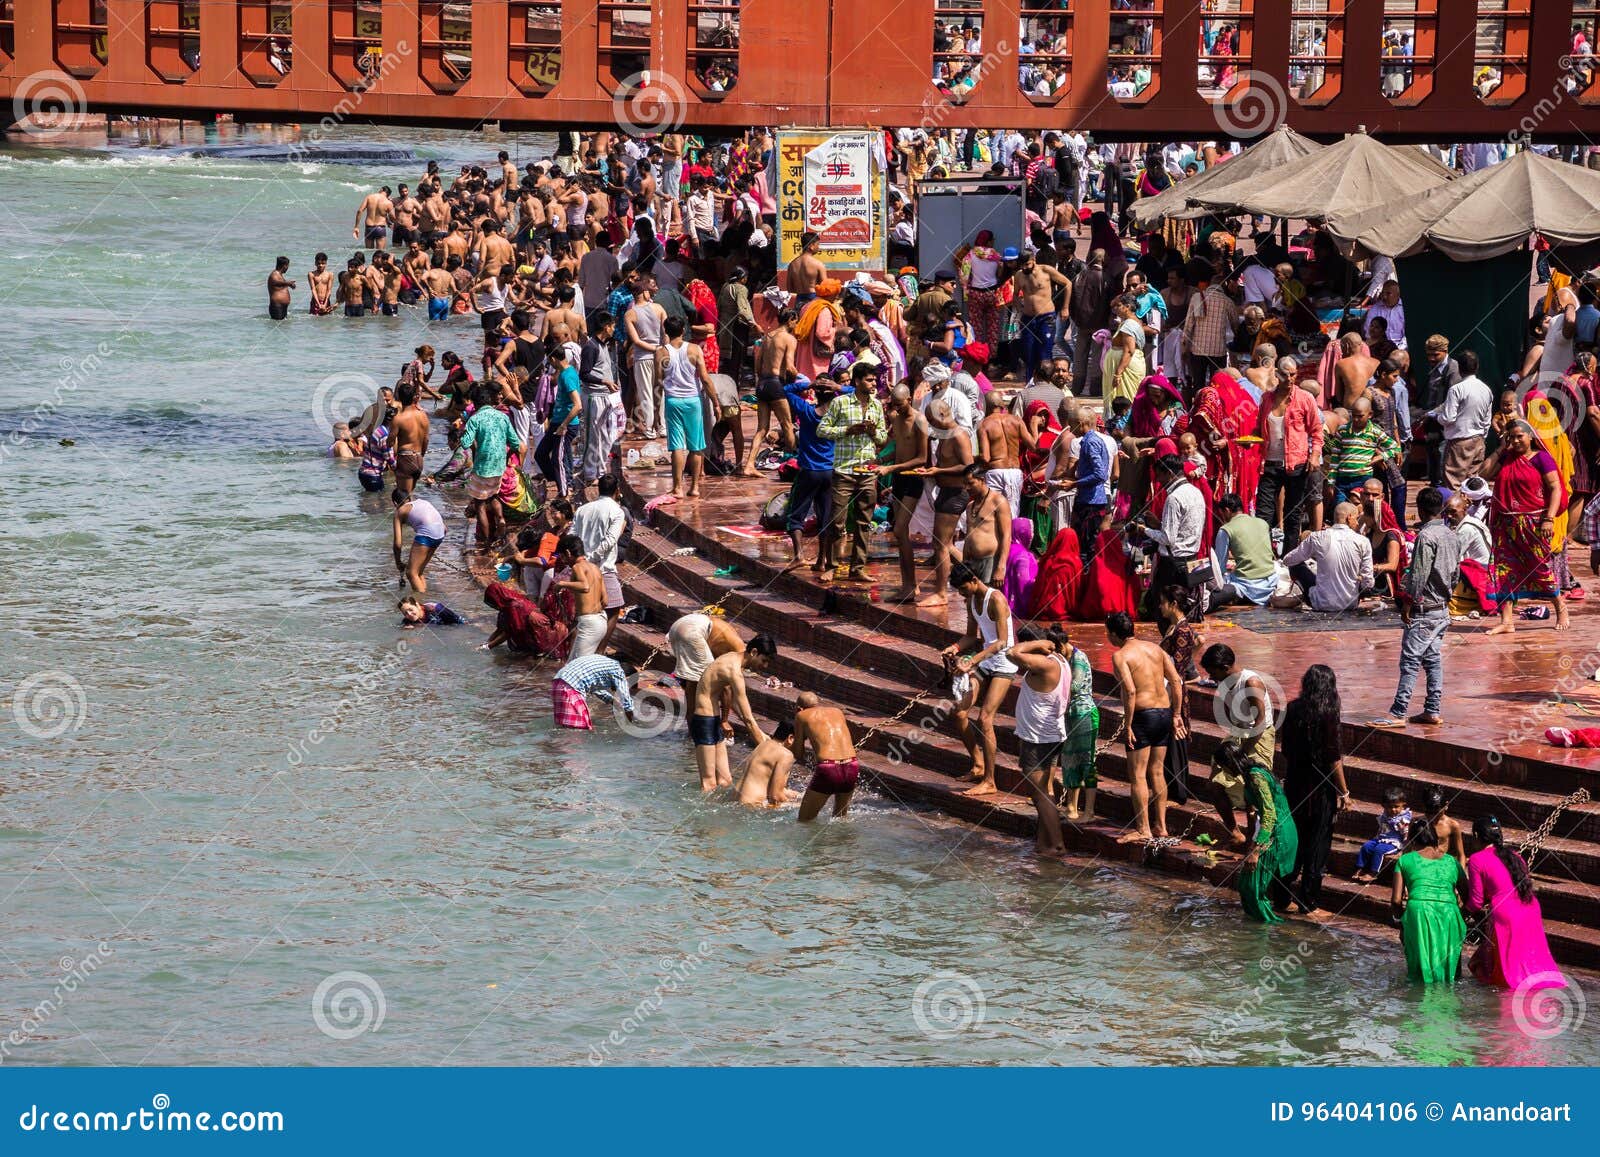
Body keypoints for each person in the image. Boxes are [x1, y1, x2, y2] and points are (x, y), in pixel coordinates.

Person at [1372, 488, 1460, 727]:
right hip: (1442, 607)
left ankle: (1398, 712)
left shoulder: (1426, 537)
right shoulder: (1452, 535)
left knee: (1410, 661)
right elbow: (1455, 574)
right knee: (1432, 660)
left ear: (1420, 510)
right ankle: (1432, 709)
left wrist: (1408, 602)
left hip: (1425, 608)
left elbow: (1419, 574)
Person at [1274, 664, 1350, 919]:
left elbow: (1285, 749)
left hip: (1295, 784)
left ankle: (1281, 896)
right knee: (1317, 845)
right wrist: (1344, 792)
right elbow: (1333, 758)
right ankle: (1309, 901)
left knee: (1294, 841)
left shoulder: (1293, 708)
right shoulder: (1328, 713)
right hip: (1320, 790)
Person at [1107, 611, 1187, 844]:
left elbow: (1130, 691)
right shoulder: (1156, 649)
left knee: (1138, 775)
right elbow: (1176, 682)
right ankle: (1160, 826)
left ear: (1113, 635)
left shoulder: (1121, 656)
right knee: (1157, 772)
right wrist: (1176, 714)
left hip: (1143, 716)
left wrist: (1128, 724)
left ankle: (1143, 829)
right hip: (1163, 714)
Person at [1484, 419, 1569, 634]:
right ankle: (1507, 621)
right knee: (1504, 570)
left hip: (1534, 523)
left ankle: (1561, 607)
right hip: (1506, 523)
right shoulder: (1506, 457)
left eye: (1519, 436)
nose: (1515, 440)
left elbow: (1555, 488)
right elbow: (1484, 473)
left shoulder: (1542, 458)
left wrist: (1549, 518)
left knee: (1539, 567)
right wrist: (1501, 448)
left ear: (1530, 436)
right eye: (1511, 437)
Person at [943, 562, 1019, 797]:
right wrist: (954, 647)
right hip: (985, 662)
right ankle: (978, 764)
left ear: (974, 580)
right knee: (959, 712)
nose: (961, 593)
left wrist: (972, 661)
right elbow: (969, 636)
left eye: (963, 588)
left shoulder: (996, 599)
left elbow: (1001, 642)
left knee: (985, 719)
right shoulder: (970, 602)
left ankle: (990, 781)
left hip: (1005, 663)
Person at [1466, 816, 1567, 992]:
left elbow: (1475, 902)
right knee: (1531, 959)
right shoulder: (1516, 856)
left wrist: (1458, 913)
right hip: (1530, 909)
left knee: (1504, 973)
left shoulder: (1476, 859)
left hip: (1505, 913)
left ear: (1476, 836)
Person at [1005, 628, 1076, 854]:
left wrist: (1034, 644)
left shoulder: (1047, 664)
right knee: (1046, 790)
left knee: (1039, 794)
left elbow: (1011, 653)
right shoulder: (1062, 662)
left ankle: (1057, 844)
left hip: (1037, 738)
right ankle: (1044, 843)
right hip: (1052, 734)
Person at [1212, 741, 1298, 925]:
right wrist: (1251, 843)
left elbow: (1269, 814)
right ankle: (1256, 929)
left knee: (1252, 887)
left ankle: (1268, 928)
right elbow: (1255, 812)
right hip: (1272, 831)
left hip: (1278, 833)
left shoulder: (1255, 776)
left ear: (1230, 763)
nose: (1224, 772)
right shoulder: (1251, 773)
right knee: (1248, 885)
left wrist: (1256, 850)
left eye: (1223, 767)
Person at [817, 362, 888, 582]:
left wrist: (873, 431)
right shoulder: (840, 403)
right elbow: (822, 430)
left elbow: (883, 438)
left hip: (867, 470)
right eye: (869, 379)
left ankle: (857, 568)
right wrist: (847, 430)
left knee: (863, 523)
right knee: (837, 520)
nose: (873, 383)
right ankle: (832, 565)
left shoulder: (876, 406)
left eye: (874, 380)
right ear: (857, 382)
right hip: (844, 470)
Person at [1254, 357, 1324, 553]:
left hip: (1297, 465)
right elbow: (1259, 428)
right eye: (1285, 374)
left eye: (1292, 374)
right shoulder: (1266, 399)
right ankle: (1264, 556)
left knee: (1292, 515)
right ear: (1277, 374)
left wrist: (1315, 455)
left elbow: (1317, 432)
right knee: (1263, 514)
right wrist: (1249, 440)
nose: (1289, 378)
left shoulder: (1305, 398)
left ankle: (1290, 558)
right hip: (1269, 463)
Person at [690, 636, 776, 792]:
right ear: (754, 652)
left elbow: (735, 702)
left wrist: (760, 733)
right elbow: (749, 719)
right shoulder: (733, 670)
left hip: (713, 719)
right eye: (764, 660)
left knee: (725, 780)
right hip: (703, 721)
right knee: (709, 784)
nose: (765, 666)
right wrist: (765, 746)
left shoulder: (732, 658)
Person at [1391, 818, 1468, 983]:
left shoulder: (1405, 860)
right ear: (1435, 839)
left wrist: (1400, 921)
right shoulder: (1452, 862)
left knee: (1420, 970)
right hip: (1449, 912)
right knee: (1451, 969)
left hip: (1418, 911)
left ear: (1412, 840)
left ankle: (1418, 1003)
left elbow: (1396, 900)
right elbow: (1467, 896)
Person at [875, 384, 929, 602]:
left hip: (913, 478)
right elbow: (897, 448)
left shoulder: (920, 420)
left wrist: (891, 468)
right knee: (901, 533)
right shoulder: (896, 419)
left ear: (909, 399)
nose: (896, 409)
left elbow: (922, 458)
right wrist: (879, 461)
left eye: (900, 404)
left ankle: (911, 584)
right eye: (894, 405)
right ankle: (908, 584)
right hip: (898, 478)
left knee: (899, 528)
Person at [1280, 502, 1374, 612]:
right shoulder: (1363, 541)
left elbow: (1288, 560)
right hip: (1351, 604)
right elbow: (1368, 583)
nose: (1358, 523)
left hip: (1320, 603)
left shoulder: (1317, 537)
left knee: (1296, 565)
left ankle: (1303, 595)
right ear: (1349, 518)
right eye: (1357, 518)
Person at [659, 316, 715, 498]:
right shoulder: (694, 349)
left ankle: (677, 488)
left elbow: (657, 381)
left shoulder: (661, 352)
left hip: (672, 400)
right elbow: (705, 378)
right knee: (696, 445)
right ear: (683, 330)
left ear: (666, 332)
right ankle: (695, 487)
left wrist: (653, 407)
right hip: (693, 400)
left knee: (676, 445)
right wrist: (715, 401)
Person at [1153, 585, 1197, 807]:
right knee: (1170, 740)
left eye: (1163, 602)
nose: (1160, 606)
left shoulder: (1182, 631)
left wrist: (1176, 709)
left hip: (1173, 691)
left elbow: (1178, 669)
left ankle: (1179, 793)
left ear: (1174, 605)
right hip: (1167, 688)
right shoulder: (1174, 627)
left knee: (1176, 739)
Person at [461, 384, 518, 546]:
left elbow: (465, 443)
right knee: (493, 496)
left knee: (480, 505)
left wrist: (462, 431)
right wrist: (506, 457)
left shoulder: (475, 419)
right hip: (499, 465)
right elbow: (515, 443)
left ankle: (486, 543)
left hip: (482, 466)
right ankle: (500, 519)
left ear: (476, 404)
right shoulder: (502, 417)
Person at [1428, 349, 1493, 489]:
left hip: (1459, 442)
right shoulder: (1486, 389)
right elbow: (1487, 418)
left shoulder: (1456, 389)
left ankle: (1456, 510)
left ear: (1459, 368)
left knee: (1454, 484)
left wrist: (1435, 416)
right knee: (1472, 484)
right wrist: (1482, 436)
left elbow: (1448, 418)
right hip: (1479, 441)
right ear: (1476, 367)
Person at [746, 308, 799, 474]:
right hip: (776, 383)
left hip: (762, 384)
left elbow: (757, 365)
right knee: (787, 426)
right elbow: (790, 367)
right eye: (796, 321)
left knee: (762, 429)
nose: (796, 325)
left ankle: (749, 465)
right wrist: (802, 380)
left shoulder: (767, 337)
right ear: (790, 319)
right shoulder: (789, 339)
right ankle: (791, 465)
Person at [666, 610, 747, 717]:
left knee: (694, 681)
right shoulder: (737, 653)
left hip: (678, 626)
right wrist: (725, 720)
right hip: (692, 632)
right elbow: (726, 687)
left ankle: (691, 726)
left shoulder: (732, 644)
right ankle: (698, 724)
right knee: (703, 683)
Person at [793, 695, 861, 821]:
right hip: (852, 765)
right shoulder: (837, 712)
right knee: (840, 819)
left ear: (799, 708)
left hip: (828, 769)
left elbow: (798, 754)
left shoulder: (801, 716)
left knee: (804, 821)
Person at [1209, 493, 1277, 608]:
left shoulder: (1225, 530)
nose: (1222, 518)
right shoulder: (1263, 523)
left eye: (1222, 514)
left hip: (1247, 585)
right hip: (1271, 581)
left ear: (1227, 510)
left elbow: (1219, 568)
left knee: (1215, 586)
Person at [977, 392, 1031, 517]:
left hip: (995, 471)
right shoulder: (1016, 420)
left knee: (992, 512)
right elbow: (1033, 446)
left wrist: (973, 459)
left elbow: (985, 458)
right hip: (1014, 472)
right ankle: (1012, 536)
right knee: (1012, 513)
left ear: (986, 406)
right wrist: (1033, 426)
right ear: (1001, 404)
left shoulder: (984, 424)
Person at [553, 533, 607, 659]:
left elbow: (585, 586)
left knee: (576, 667)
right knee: (578, 664)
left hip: (589, 623)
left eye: (562, 556)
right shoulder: (595, 568)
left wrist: (562, 584)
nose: (562, 560)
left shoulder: (577, 567)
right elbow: (605, 601)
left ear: (568, 553)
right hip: (601, 621)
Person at [551, 653, 637, 731]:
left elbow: (597, 689)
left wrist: (613, 702)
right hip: (571, 687)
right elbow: (626, 699)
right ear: (627, 677)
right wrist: (630, 724)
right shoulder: (618, 670)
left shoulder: (605, 664)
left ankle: (560, 746)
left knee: (565, 726)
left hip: (558, 683)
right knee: (580, 729)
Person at [957, 465, 1011, 588]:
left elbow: (1006, 536)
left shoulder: (998, 501)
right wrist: (964, 565)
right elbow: (968, 537)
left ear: (982, 480)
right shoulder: (970, 505)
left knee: (988, 601)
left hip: (990, 562)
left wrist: (1001, 567)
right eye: (964, 484)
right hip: (972, 563)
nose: (966, 488)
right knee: (973, 603)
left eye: (970, 483)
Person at [737, 718, 802, 808]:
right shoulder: (786, 755)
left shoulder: (763, 745)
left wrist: (798, 795)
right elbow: (776, 797)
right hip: (753, 808)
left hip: (737, 802)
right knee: (801, 807)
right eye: (801, 740)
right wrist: (799, 805)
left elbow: (763, 783)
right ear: (790, 738)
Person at [391, 489, 446, 595]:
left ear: (394, 503)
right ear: (410, 498)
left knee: (411, 573)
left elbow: (397, 543)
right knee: (418, 572)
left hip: (427, 534)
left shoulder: (400, 511)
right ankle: (425, 598)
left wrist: (398, 562)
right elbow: (443, 526)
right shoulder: (423, 502)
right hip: (440, 532)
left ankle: (421, 605)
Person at [1354, 785, 1411, 882]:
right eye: (1389, 807)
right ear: (1384, 806)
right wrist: (1375, 838)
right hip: (1381, 839)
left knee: (1379, 850)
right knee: (1366, 846)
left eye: (1396, 807)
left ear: (1403, 805)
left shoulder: (1403, 818)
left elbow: (1406, 835)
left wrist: (1402, 851)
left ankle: (1373, 873)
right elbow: (1382, 829)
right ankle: (1360, 868)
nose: (1393, 810)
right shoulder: (1385, 815)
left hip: (1394, 843)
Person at [390, 379, 429, 499]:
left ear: (399, 398)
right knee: (410, 495)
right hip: (418, 458)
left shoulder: (399, 418)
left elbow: (390, 442)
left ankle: (402, 518)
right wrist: (421, 454)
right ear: (414, 397)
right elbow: (426, 439)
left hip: (405, 458)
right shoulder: (423, 415)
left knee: (403, 498)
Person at [398, 596, 464, 627]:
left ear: (417, 605)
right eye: (405, 613)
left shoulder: (437, 609)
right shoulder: (407, 621)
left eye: (410, 609)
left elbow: (460, 621)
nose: (409, 614)